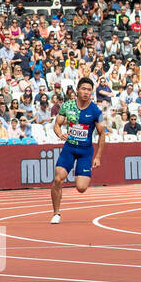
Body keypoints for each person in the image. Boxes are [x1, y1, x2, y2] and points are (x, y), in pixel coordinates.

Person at [50, 77, 106, 224]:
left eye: (89, 90)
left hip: (85, 152)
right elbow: (57, 124)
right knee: (57, 179)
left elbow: (102, 134)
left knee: (81, 188)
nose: (86, 92)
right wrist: (60, 133)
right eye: (83, 89)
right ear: (77, 90)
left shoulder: (96, 111)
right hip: (69, 148)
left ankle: (79, 170)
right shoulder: (67, 106)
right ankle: (56, 213)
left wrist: (98, 157)